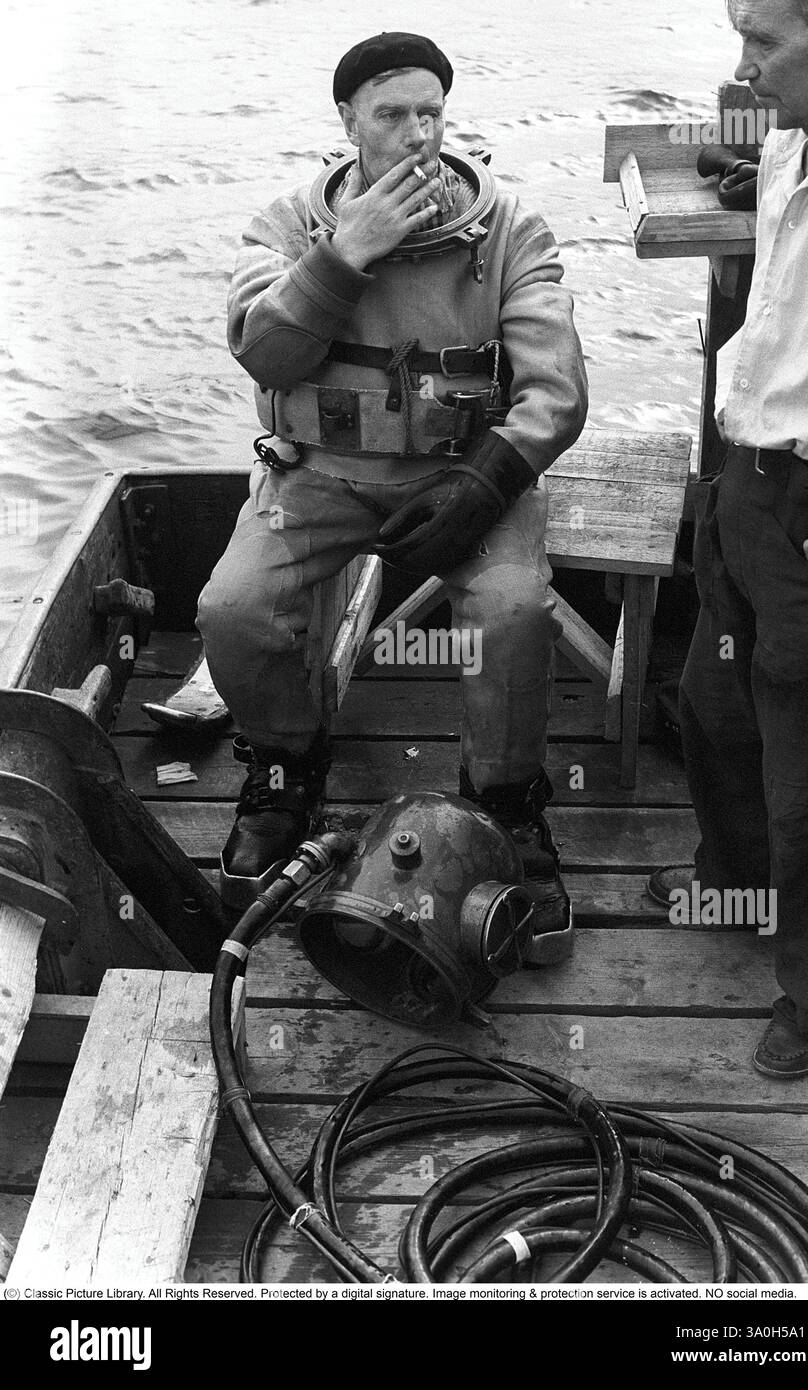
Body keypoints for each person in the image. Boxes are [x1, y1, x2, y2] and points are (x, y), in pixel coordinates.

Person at [196, 32, 588, 960]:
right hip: (322, 476)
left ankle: (506, 803)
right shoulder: (287, 225)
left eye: (431, 112)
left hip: (462, 481)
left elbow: (556, 390)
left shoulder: (508, 231)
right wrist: (346, 255)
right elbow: (263, 351)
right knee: (231, 607)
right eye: (391, 115)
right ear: (348, 123)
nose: (416, 135)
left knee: (511, 611)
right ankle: (287, 770)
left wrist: (488, 479)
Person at [648, 0, 808, 1078]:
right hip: (745, 475)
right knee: (716, 701)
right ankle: (737, 880)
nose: (740, 67)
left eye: (763, 42)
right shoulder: (789, 142)